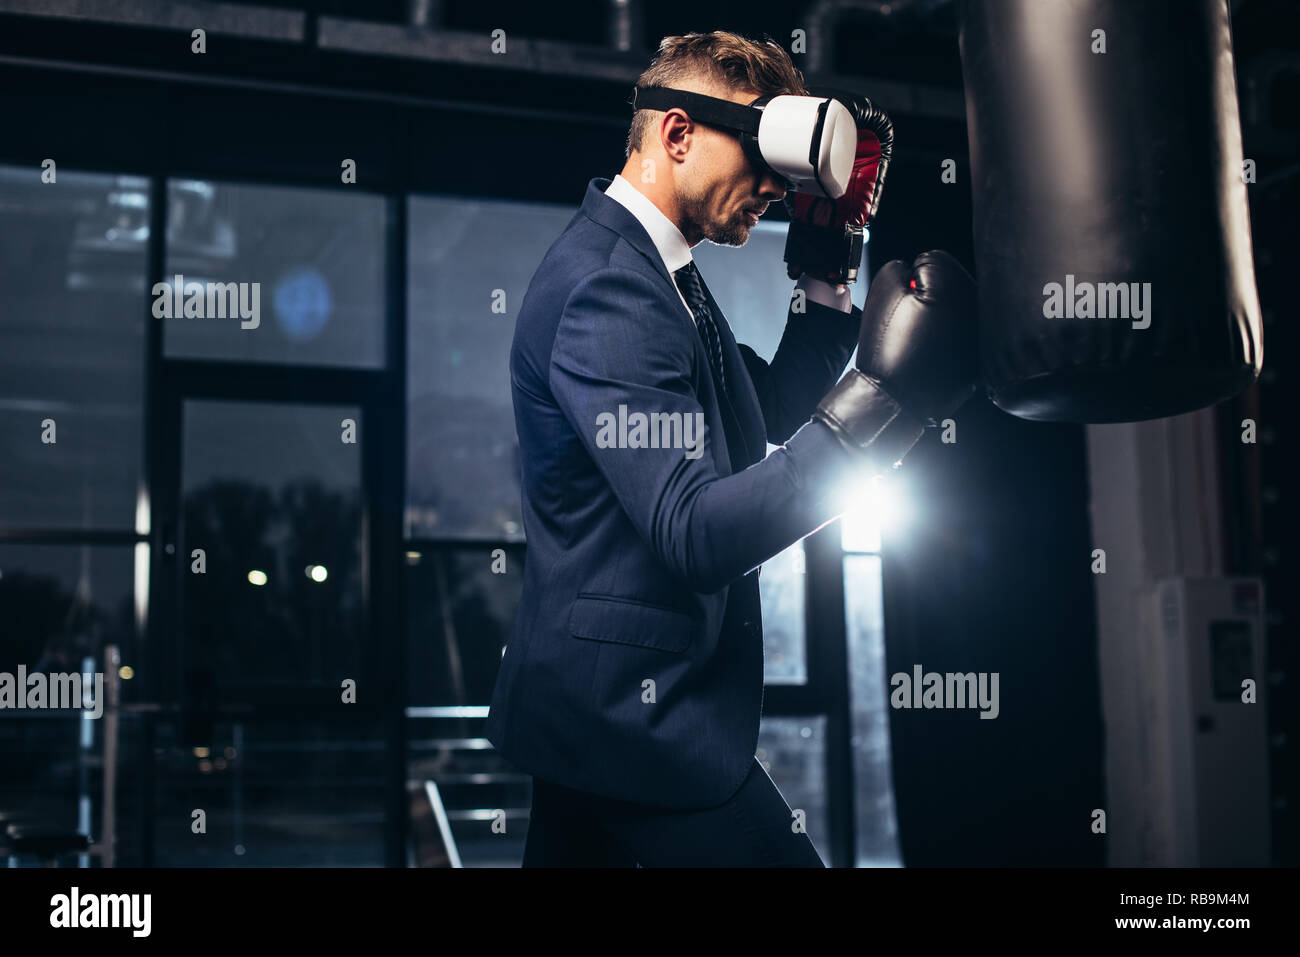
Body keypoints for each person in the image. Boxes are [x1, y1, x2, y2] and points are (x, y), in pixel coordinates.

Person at [485, 30, 977, 866]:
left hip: (595, 714)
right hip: (632, 723)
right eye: (760, 156)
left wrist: (826, 270)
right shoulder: (609, 288)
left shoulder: (659, 271)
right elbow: (696, 532)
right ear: (676, 135)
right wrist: (883, 406)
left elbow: (772, 403)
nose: (775, 192)